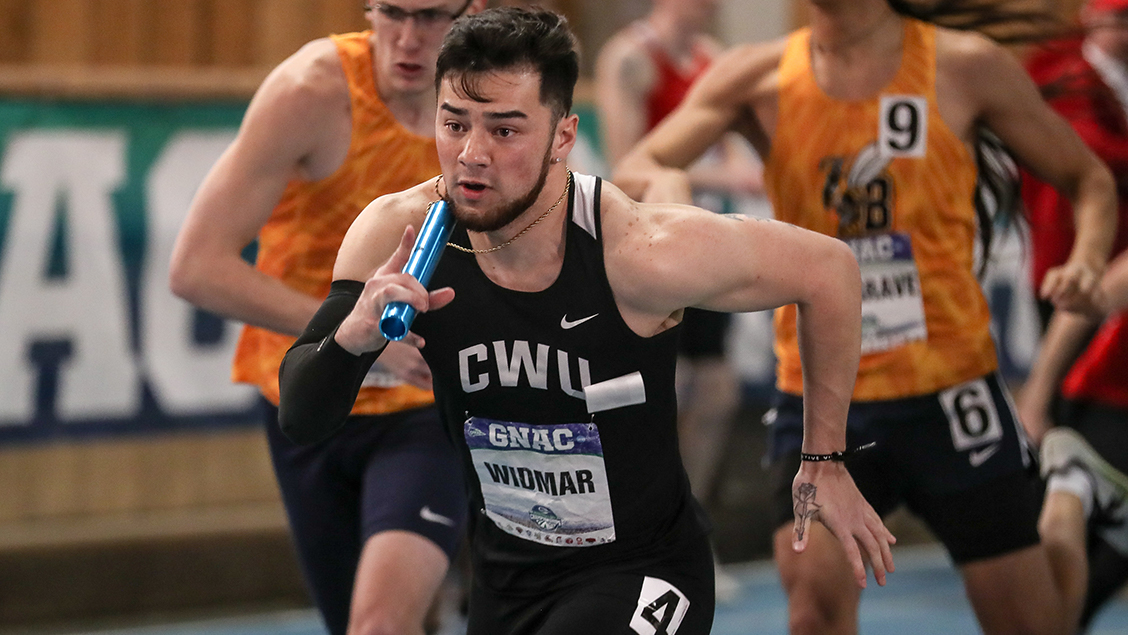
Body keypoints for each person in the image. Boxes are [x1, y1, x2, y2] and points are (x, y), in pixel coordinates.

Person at [276, 8, 896, 634]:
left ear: (563, 137)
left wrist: (826, 460)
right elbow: (301, 416)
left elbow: (830, 270)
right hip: (505, 583)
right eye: (453, 123)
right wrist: (352, 336)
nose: (472, 155)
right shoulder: (399, 235)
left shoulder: (636, 250)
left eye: (505, 131)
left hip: (647, 574)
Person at [615, 0, 1125, 633]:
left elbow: (1089, 179)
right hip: (823, 402)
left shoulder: (963, 66)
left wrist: (1087, 260)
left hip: (952, 393)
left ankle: (1069, 502)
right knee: (814, 616)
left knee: (1038, 624)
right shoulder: (759, 75)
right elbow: (641, 163)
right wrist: (672, 193)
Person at [167, 2, 486, 634]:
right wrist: (357, 337)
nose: (406, 38)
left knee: (379, 626)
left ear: (471, 12)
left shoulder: (493, 103)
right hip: (309, 394)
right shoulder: (312, 91)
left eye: (430, 17)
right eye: (390, 12)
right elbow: (197, 267)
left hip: (424, 406)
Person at [593, 0, 759, 514]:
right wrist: (720, 176)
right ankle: (632, 521)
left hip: (702, 245)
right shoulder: (630, 57)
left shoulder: (714, 58)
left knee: (718, 390)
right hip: (647, 247)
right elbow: (626, 165)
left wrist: (736, 168)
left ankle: (688, 518)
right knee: (648, 395)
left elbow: (731, 140)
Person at [1019, 2, 1128, 627]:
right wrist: (1037, 395)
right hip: (1073, 280)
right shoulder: (1057, 82)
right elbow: (1094, 296)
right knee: (1070, 467)